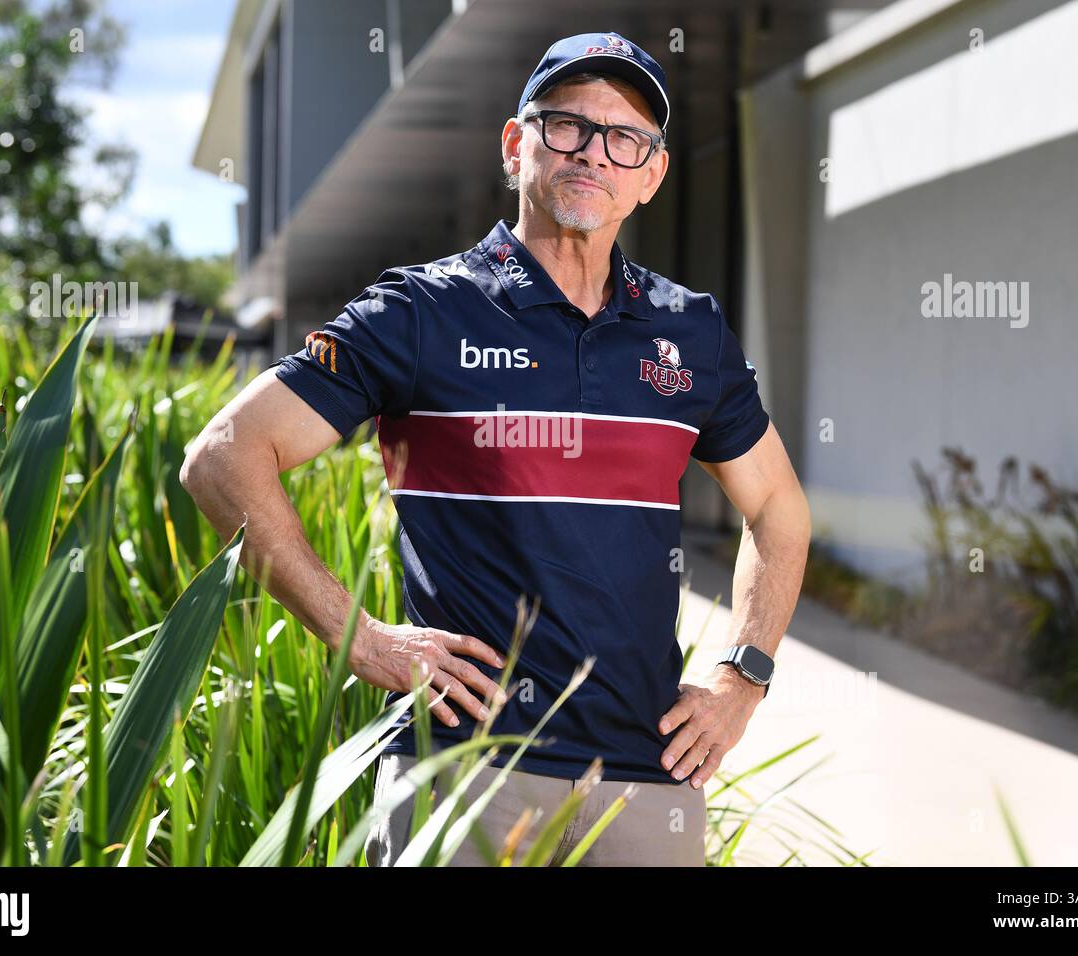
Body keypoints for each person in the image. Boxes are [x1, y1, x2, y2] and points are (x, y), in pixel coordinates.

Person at [180, 31, 811, 867]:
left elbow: (778, 510)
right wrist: (360, 638)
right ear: (517, 145)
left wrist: (743, 680)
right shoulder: (420, 312)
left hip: (645, 782)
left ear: (652, 176)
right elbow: (223, 455)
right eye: (567, 127)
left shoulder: (688, 329)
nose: (594, 154)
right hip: (459, 777)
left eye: (626, 139)